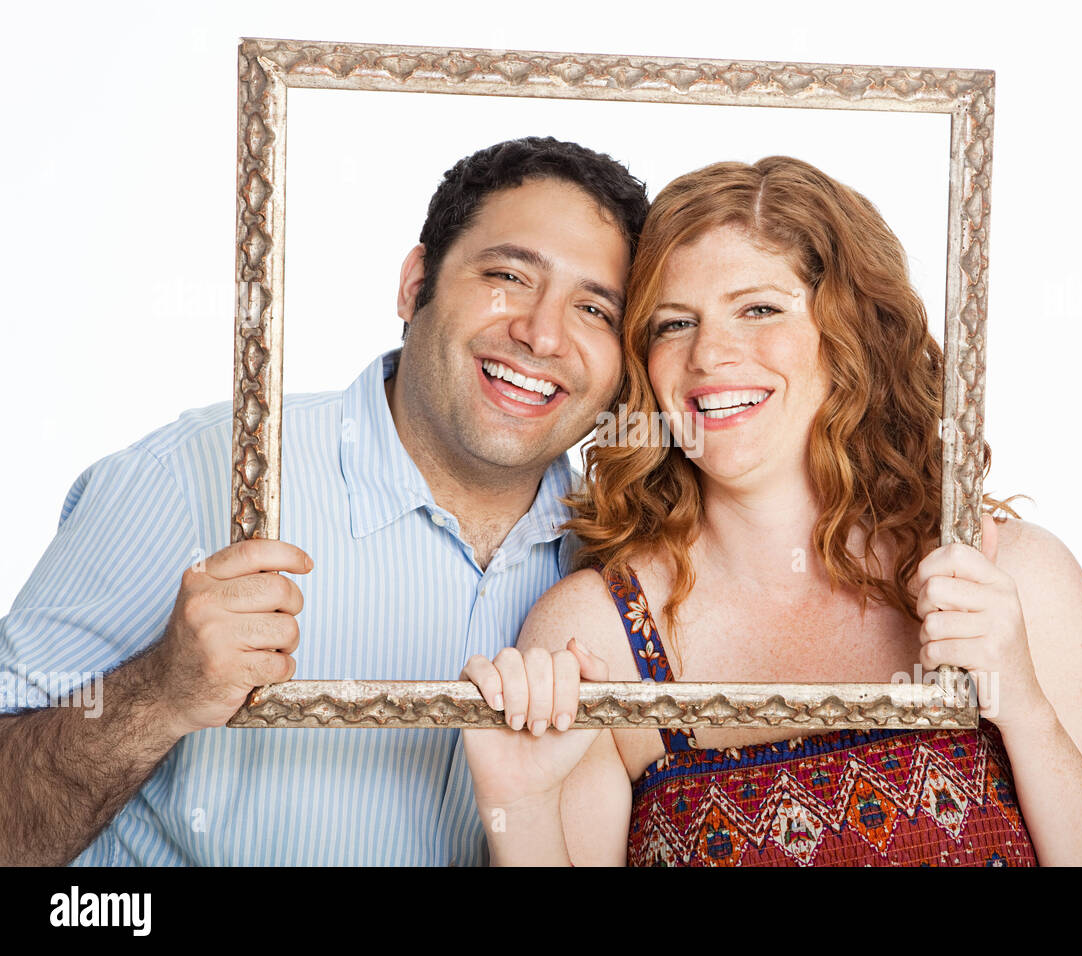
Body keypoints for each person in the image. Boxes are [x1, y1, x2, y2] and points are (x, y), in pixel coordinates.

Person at [459, 156, 1082, 867]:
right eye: (675, 324)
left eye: (760, 309)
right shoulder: (597, 637)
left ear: (850, 339)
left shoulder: (1010, 580)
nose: (710, 354)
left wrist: (1025, 710)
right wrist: (519, 814)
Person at [0, 136, 648, 866]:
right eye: (506, 275)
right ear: (414, 283)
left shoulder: (629, 564)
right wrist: (158, 695)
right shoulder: (192, 475)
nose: (541, 333)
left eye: (595, 309)